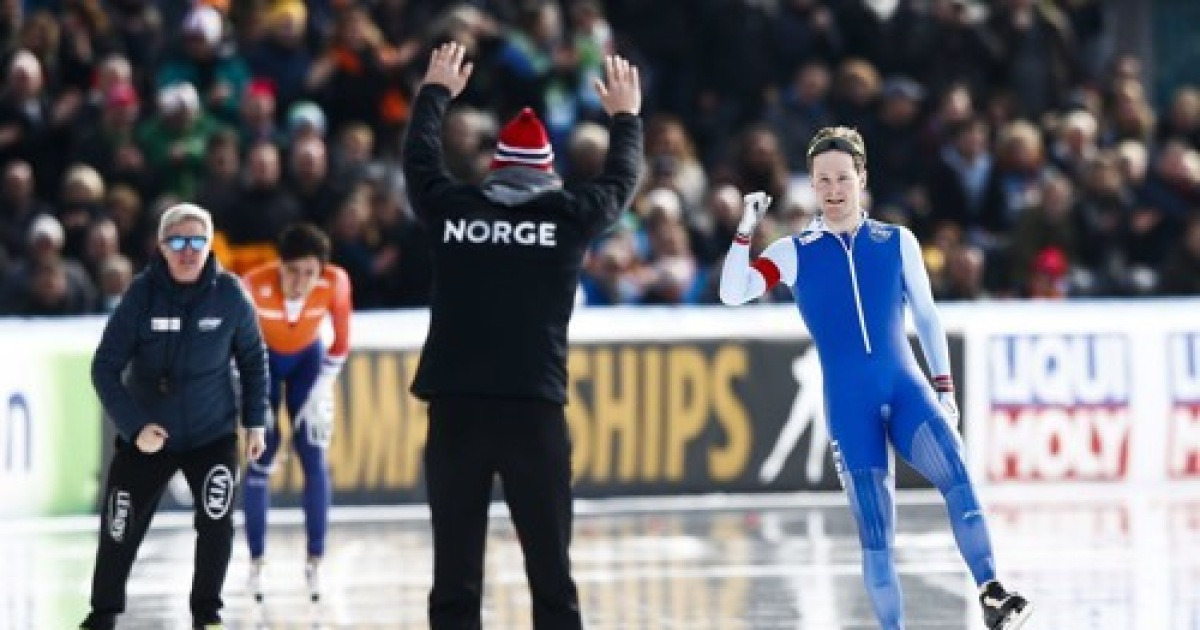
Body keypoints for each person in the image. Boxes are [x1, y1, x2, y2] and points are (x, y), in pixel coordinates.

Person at [718, 127, 1033, 630]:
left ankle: (991, 589)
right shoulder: (794, 251)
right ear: (812, 186)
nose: (834, 189)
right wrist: (744, 232)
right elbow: (733, 293)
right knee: (876, 533)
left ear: (862, 178)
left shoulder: (895, 241)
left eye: (844, 177)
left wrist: (943, 386)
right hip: (850, 407)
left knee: (957, 474)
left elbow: (927, 317)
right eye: (823, 180)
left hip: (907, 389)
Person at [402, 42, 642, 629]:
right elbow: (621, 180)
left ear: (496, 167)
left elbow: (419, 165)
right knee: (550, 570)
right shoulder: (567, 216)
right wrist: (626, 117)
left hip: (455, 408)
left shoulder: (452, 209)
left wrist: (434, 94)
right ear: (546, 174)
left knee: (454, 570)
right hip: (533, 409)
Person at [80, 203, 270, 630]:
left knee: (217, 520)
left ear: (209, 245)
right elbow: (104, 368)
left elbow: (254, 360)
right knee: (119, 525)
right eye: (179, 242)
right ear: (162, 247)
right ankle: (103, 614)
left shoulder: (231, 294)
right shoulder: (140, 296)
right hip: (149, 435)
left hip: (211, 433)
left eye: (197, 241)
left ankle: (208, 616)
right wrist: (135, 428)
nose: (189, 251)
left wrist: (255, 420)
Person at [240, 223, 352, 602]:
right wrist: (256, 403)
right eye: (292, 271)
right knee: (261, 456)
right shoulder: (253, 284)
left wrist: (321, 392)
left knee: (313, 456)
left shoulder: (336, 282)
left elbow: (341, 342)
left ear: (322, 271)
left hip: (309, 364)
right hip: (264, 365)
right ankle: (256, 562)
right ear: (279, 265)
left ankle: (315, 561)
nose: (300, 282)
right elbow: (241, 349)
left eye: (310, 273)